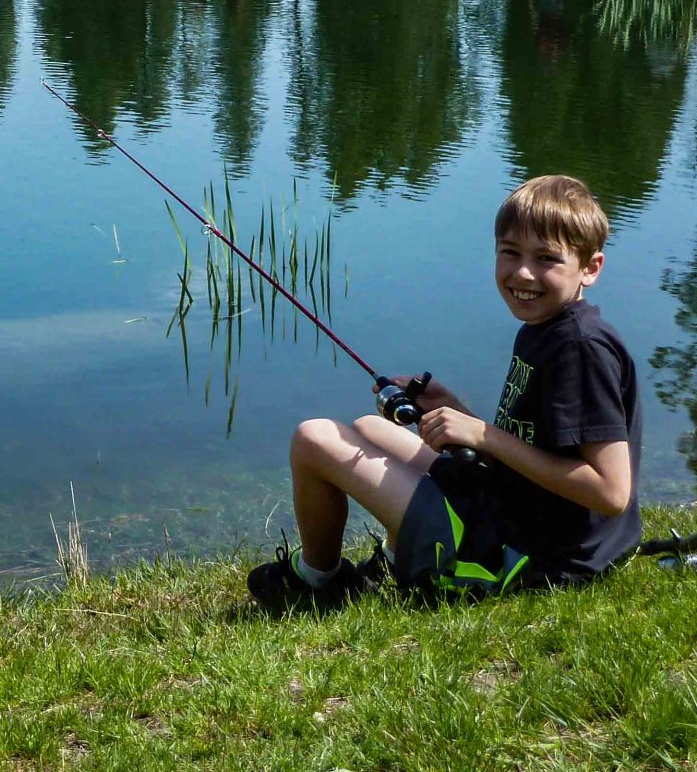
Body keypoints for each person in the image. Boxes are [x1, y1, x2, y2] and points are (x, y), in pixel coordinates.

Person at [248, 175, 641, 613]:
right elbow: (535, 447)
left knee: (314, 438)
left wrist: (482, 435)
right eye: (510, 252)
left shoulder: (580, 348)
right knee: (369, 427)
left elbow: (610, 491)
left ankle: (317, 581)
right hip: (513, 512)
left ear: (590, 267)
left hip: (526, 558)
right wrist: (454, 409)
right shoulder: (548, 328)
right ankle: (395, 561)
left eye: (546, 259)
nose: (524, 272)